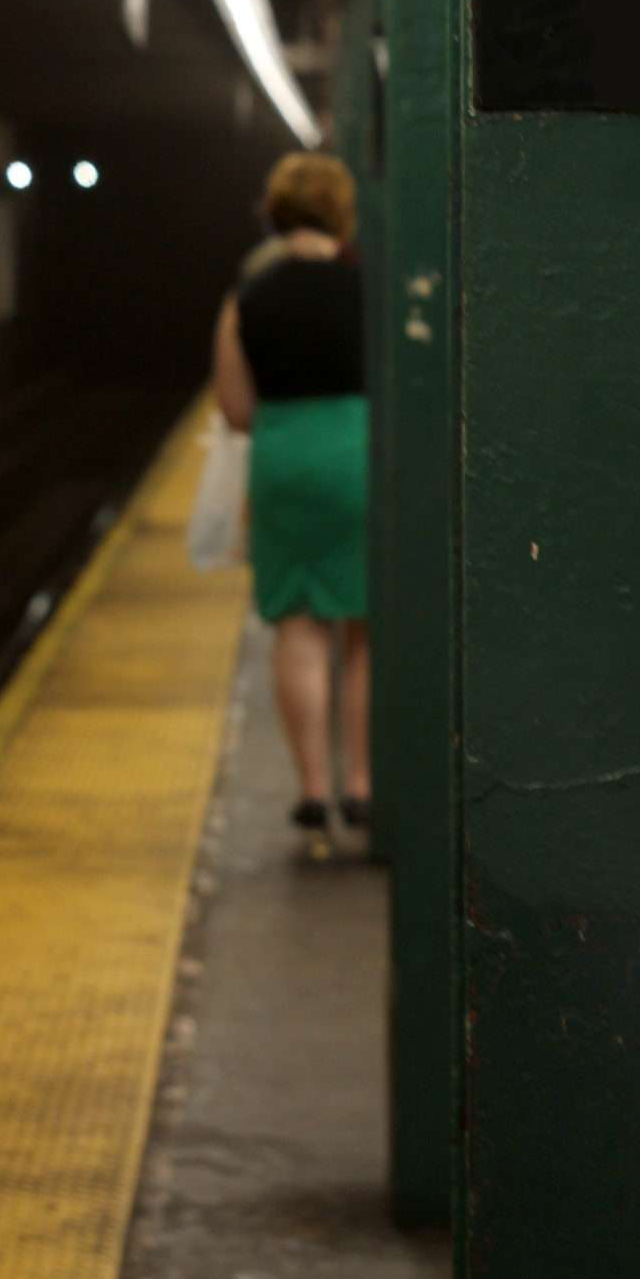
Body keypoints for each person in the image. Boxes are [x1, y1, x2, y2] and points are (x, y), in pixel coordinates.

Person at [213, 152, 369, 838]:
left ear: (274, 214)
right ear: (341, 212)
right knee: (363, 631)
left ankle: (311, 788)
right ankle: (359, 784)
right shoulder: (369, 287)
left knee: (298, 628)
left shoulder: (249, 297)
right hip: (358, 455)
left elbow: (234, 410)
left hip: (282, 460)